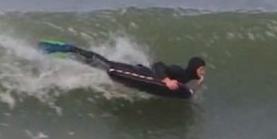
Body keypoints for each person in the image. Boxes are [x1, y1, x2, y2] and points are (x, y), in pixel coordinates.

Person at [68, 47, 206, 90]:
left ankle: (75, 54)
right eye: (201, 69)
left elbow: (195, 76)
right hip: (140, 72)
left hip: (143, 72)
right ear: (194, 68)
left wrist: (200, 78)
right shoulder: (179, 72)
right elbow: (158, 65)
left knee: (104, 63)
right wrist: (167, 81)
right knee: (105, 64)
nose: (203, 72)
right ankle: (72, 51)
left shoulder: (189, 75)